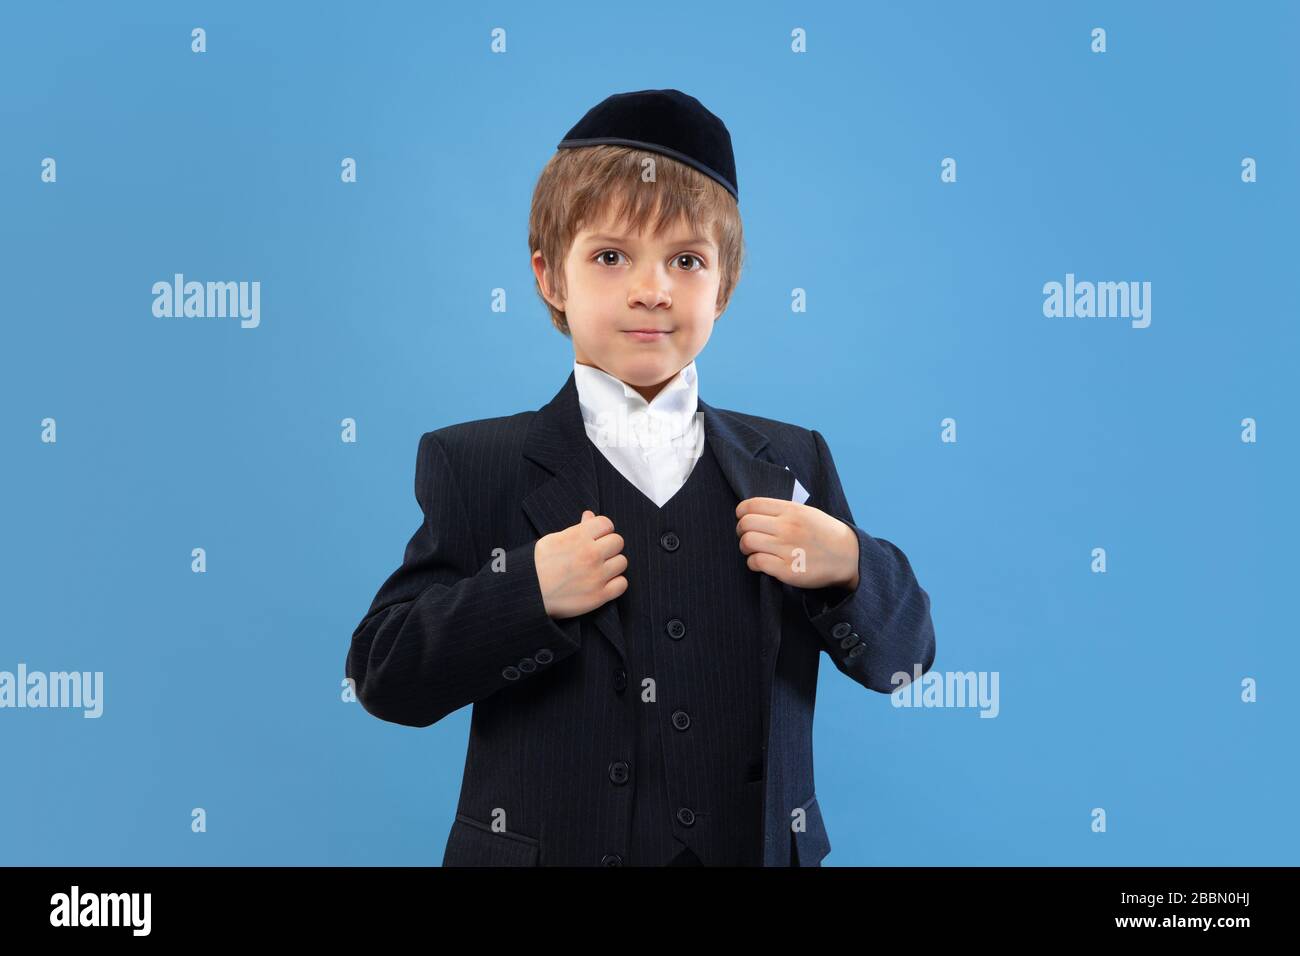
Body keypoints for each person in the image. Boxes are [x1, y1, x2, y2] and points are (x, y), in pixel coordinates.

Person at [346, 89, 936, 866]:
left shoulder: (794, 460)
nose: (651, 288)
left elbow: (906, 661)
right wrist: (525, 594)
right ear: (551, 276)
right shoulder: (477, 464)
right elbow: (385, 679)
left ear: (722, 287)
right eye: (610, 256)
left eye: (686, 260)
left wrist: (851, 567)